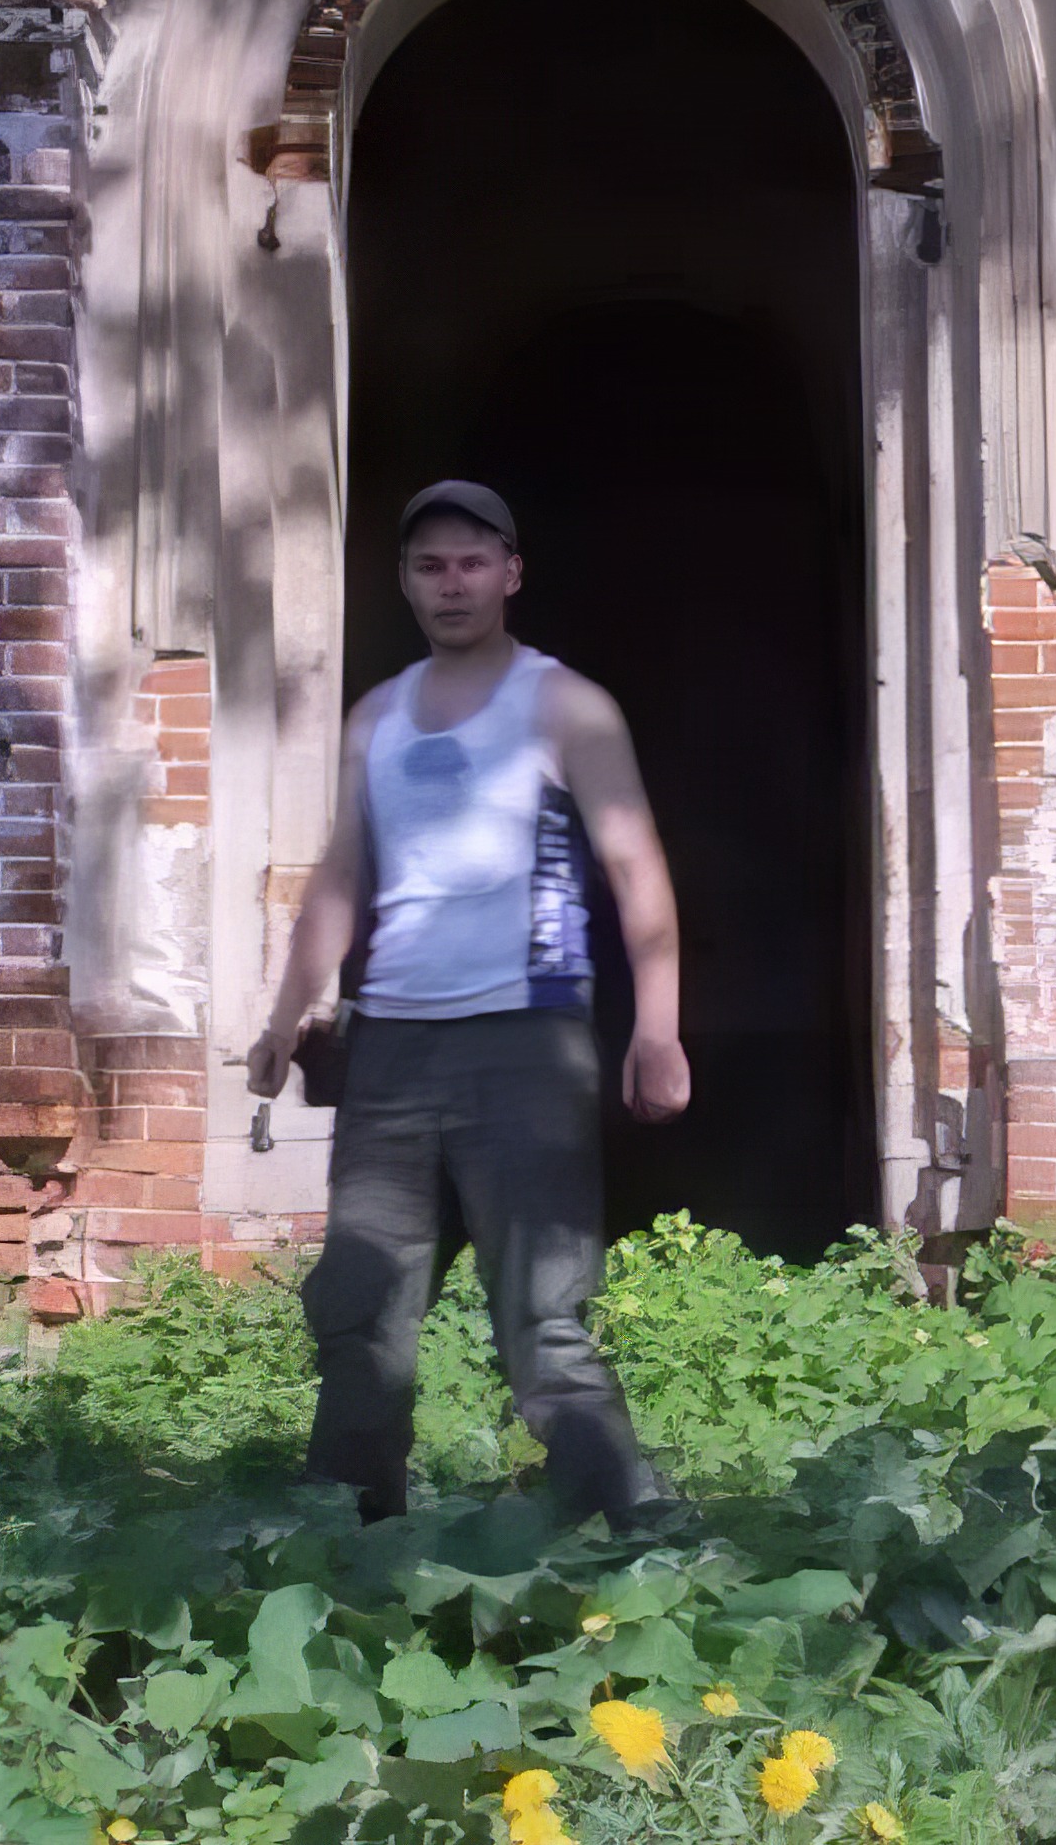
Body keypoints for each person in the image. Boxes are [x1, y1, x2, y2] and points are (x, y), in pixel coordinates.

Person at [245, 479, 688, 1523]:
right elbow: (339, 881)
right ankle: (347, 1542)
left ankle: (628, 1536)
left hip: (527, 1045)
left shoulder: (565, 704)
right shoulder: (377, 716)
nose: (451, 582)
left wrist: (657, 1028)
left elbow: (637, 867)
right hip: (392, 1047)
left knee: (542, 1313)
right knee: (359, 1305)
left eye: (471, 560)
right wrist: (280, 1019)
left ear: (510, 573)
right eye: (429, 564)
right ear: (404, 579)